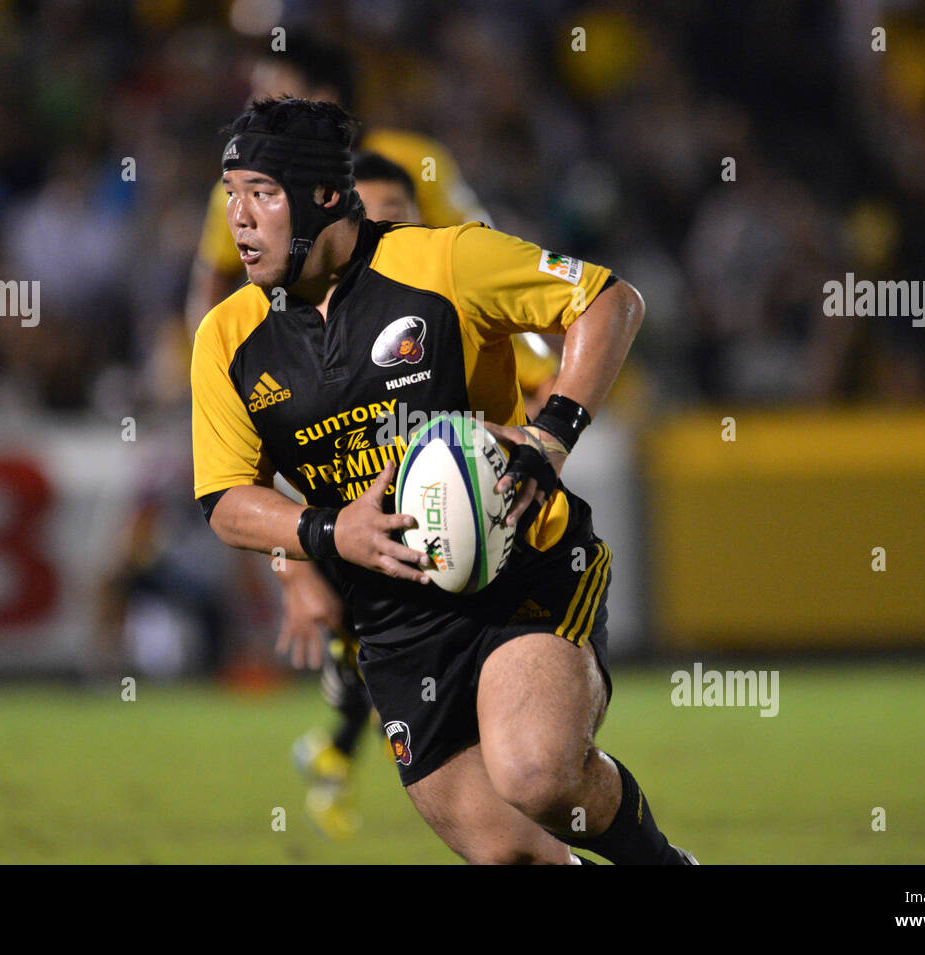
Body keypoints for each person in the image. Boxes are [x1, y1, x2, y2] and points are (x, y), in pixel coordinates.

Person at [192, 96, 694, 864]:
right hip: (393, 622)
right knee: (512, 855)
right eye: (231, 196)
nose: (239, 219)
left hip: (515, 572)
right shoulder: (226, 337)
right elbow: (225, 501)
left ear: (324, 195)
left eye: (261, 192)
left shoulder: (443, 260)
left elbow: (608, 299)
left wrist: (550, 435)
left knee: (538, 774)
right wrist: (325, 535)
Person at [283, 151, 560, 840]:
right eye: (364, 215)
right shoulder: (308, 331)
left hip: (473, 530)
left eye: (394, 215)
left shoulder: (448, 297)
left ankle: (340, 742)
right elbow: (275, 462)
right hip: (364, 543)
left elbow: (547, 374)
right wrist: (289, 567)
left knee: (526, 762)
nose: (378, 227)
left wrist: (531, 445)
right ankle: (343, 740)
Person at [185, 34, 488, 338]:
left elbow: (478, 249)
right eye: (253, 94)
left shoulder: (415, 161)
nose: (253, 107)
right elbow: (211, 289)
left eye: (269, 94)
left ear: (323, 101)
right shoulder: (238, 190)